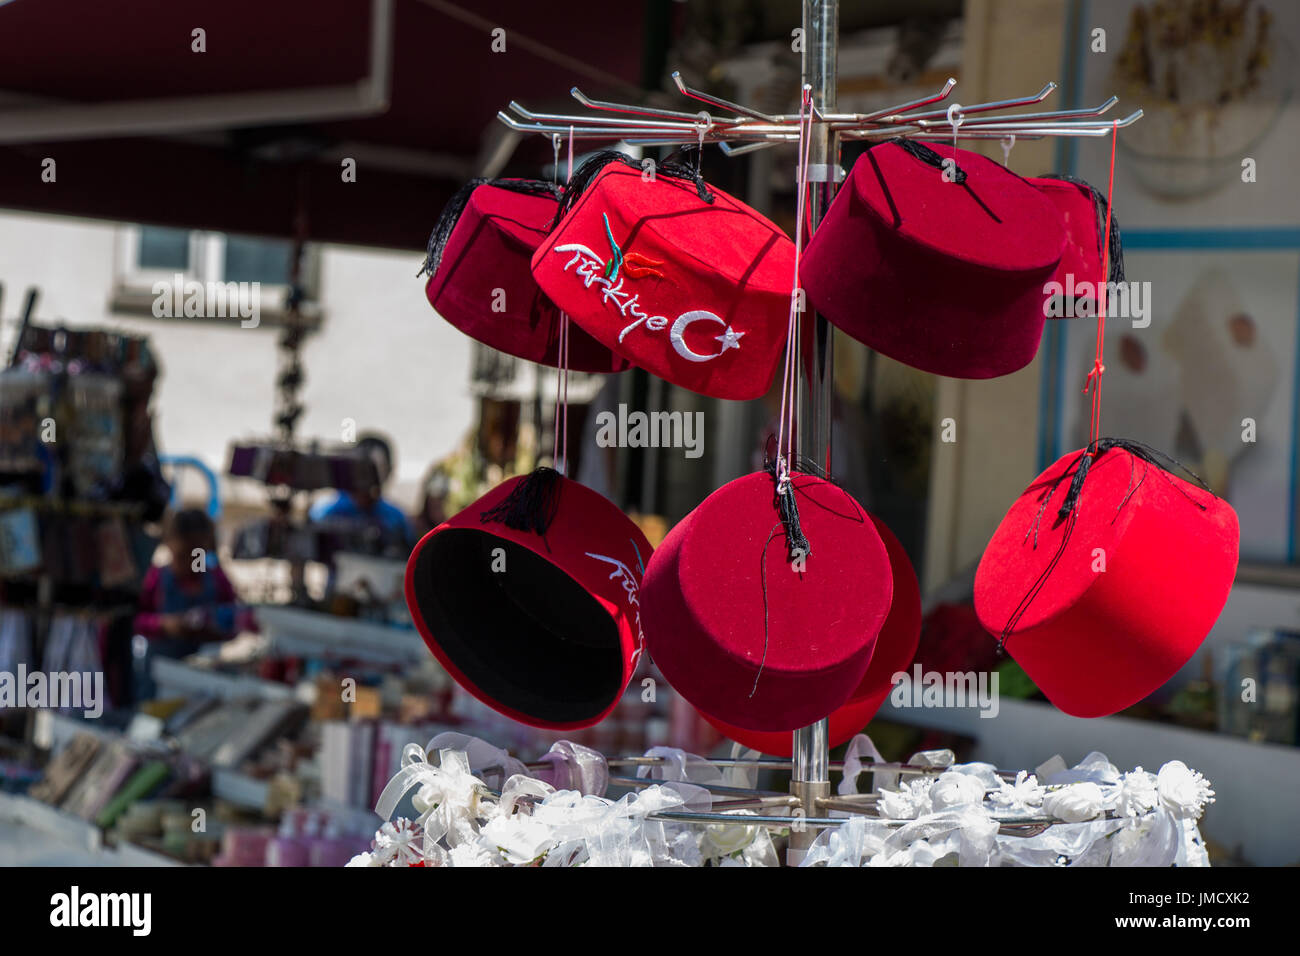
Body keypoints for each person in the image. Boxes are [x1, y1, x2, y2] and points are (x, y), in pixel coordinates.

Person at [133, 508, 252, 700]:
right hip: (160, 681)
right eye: (182, 555)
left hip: (205, 680)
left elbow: (237, 620)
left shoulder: (217, 579)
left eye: (196, 555)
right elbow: (136, 621)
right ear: (169, 547)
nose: (190, 561)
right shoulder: (157, 578)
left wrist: (218, 627)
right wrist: (164, 624)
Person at [309, 432, 417, 553]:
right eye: (364, 470)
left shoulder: (395, 518)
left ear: (389, 473)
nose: (369, 479)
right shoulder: (328, 513)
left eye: (376, 472)